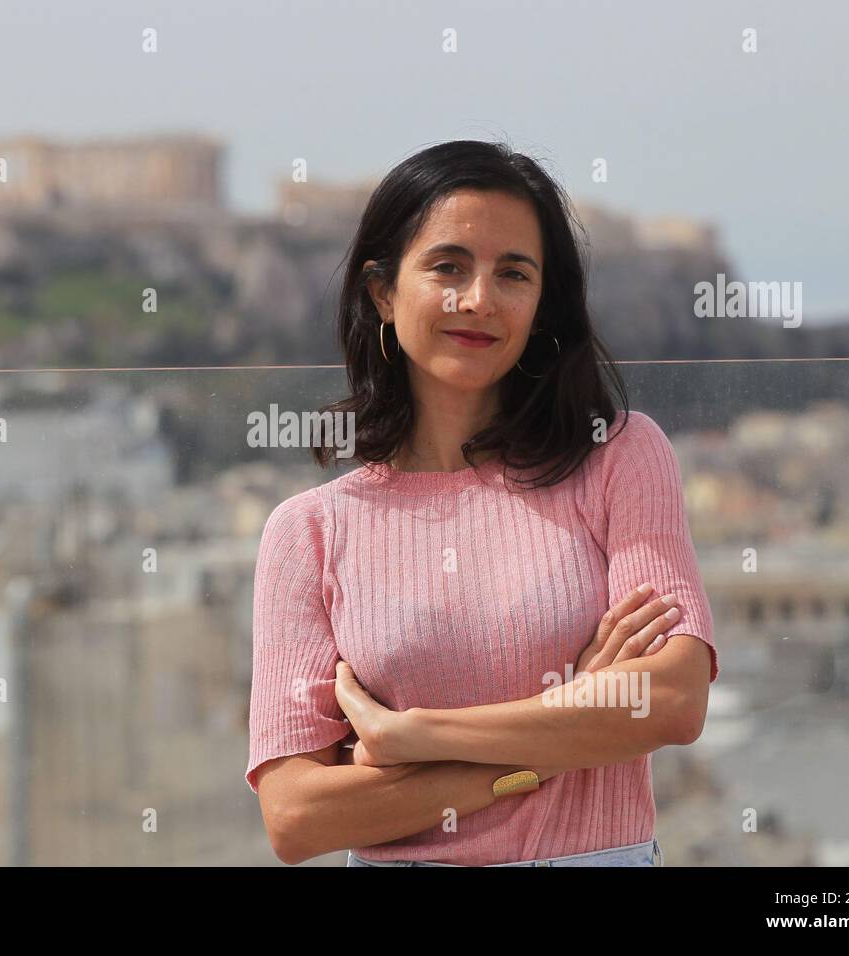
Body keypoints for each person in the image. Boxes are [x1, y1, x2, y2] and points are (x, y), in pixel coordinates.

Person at [245, 140, 718, 867]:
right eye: (448, 267)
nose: (480, 300)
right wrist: (567, 728)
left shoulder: (620, 457)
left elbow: (673, 701)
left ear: (541, 304)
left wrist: (416, 737)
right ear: (382, 292)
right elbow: (297, 816)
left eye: (513, 274)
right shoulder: (309, 531)